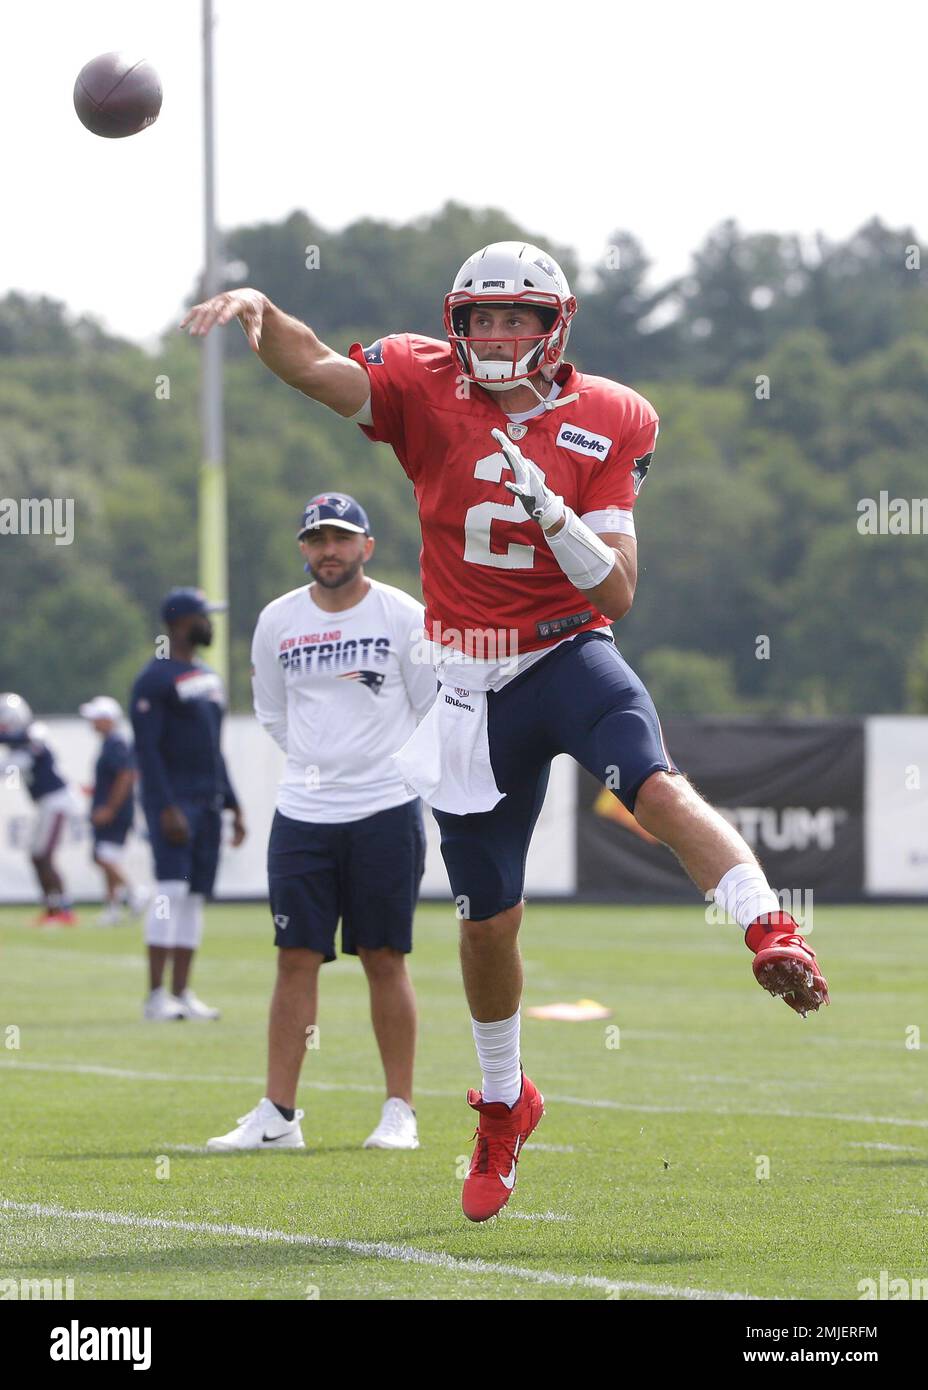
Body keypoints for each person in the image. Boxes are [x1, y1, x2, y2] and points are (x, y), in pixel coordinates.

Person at [182, 240, 830, 1220]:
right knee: (487, 923)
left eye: (515, 317)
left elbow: (615, 587)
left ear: (553, 324)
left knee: (651, 783)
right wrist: (263, 316)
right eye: (479, 317)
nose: (494, 335)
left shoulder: (611, 416)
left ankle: (769, 924)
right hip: (467, 679)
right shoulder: (418, 381)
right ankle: (501, 1101)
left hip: (566, 649)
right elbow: (318, 367)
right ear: (455, 321)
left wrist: (551, 511)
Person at [208, 493, 436, 1153]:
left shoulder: (401, 615)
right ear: (303, 549)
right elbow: (274, 712)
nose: (328, 551)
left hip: (386, 810)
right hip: (303, 813)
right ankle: (279, 1116)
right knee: (295, 958)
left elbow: (430, 708)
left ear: (367, 545)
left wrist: (379, 773)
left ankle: (400, 1111)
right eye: (316, 540)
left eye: (340, 538)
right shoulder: (278, 619)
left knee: (383, 956)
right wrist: (320, 768)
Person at [130, 588, 246, 1021]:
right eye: (204, 616)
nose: (210, 625)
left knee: (194, 897)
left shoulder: (208, 678)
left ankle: (182, 993)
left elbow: (215, 749)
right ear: (182, 622)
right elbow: (148, 751)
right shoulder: (154, 679)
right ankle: (155, 996)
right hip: (175, 803)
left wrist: (233, 804)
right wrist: (164, 806)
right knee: (169, 890)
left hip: (208, 802)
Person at [0, 692, 78, 926]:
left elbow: (27, 743)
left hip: (56, 801)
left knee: (43, 855)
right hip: (46, 804)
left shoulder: (35, 734)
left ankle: (63, 909)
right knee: (37, 856)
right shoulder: (19, 749)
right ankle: (53, 908)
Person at [79, 695, 148, 925]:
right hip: (111, 808)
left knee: (104, 856)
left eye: (96, 718)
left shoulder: (116, 743)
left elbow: (125, 775)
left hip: (116, 811)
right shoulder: (110, 743)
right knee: (106, 856)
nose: (92, 723)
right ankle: (113, 907)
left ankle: (134, 892)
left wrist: (110, 807)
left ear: (108, 719)